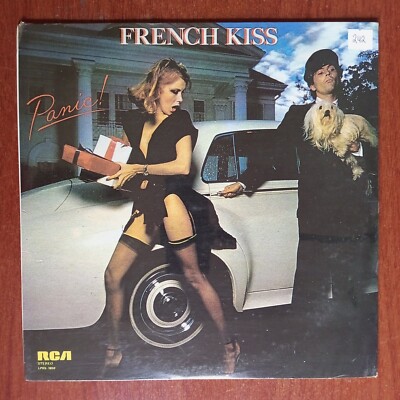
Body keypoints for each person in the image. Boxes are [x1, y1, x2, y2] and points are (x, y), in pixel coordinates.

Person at [219, 49, 377, 373]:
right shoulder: (297, 115)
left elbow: (381, 157)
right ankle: (306, 363)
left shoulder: (357, 115)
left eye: (332, 69)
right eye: (321, 71)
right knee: (309, 291)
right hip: (315, 217)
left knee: (349, 291)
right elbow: (273, 154)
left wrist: (359, 148)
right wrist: (245, 181)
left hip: (351, 218)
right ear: (311, 83)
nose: (328, 74)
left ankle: (352, 364)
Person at [101, 58, 240, 376]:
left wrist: (138, 168)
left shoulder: (181, 122)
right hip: (146, 204)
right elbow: (126, 159)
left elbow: (181, 166)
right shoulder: (134, 121)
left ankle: (229, 344)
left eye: (182, 93)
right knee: (112, 275)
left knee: (194, 277)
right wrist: (109, 168)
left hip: (172, 202)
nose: (180, 99)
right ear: (155, 89)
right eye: (174, 91)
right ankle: (113, 349)